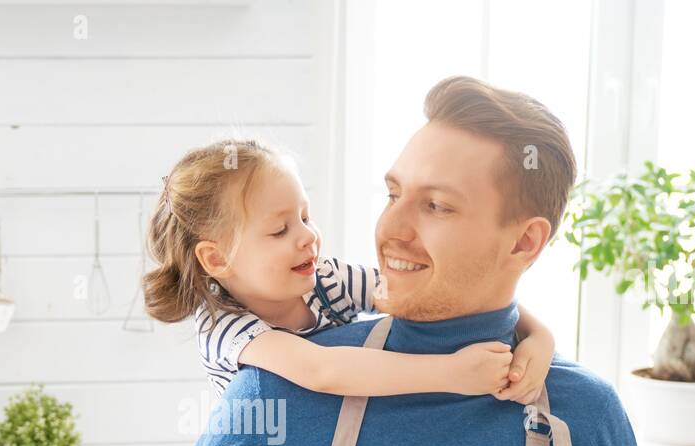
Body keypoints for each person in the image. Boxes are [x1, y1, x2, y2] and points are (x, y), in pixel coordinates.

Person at [113, 76, 672, 446]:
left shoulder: (579, 408)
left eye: (435, 206)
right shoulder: (282, 384)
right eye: (392, 195)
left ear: (525, 243)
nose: (390, 231)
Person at [144, 138, 554, 402]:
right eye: (279, 230)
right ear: (217, 260)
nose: (307, 237)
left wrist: (537, 334)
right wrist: (453, 373)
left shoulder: (326, 278)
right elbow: (322, 371)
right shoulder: (223, 327)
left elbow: (426, 291)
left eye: (305, 216)